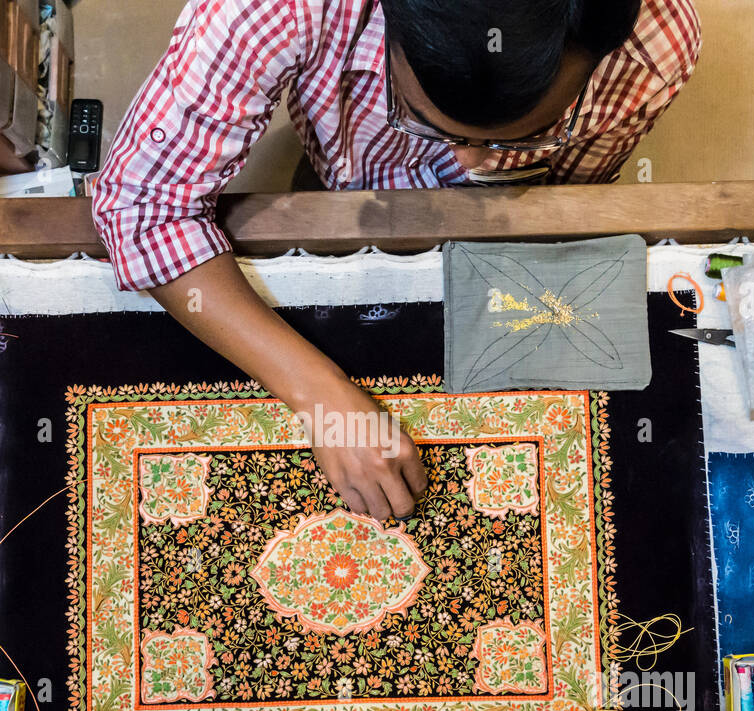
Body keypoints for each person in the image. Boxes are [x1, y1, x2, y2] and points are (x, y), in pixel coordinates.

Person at [92, 0, 702, 520]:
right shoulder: (276, 9)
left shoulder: (655, 48)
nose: (472, 166)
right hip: (349, 187)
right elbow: (142, 205)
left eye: (522, 138)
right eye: (427, 123)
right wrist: (321, 398)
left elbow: (569, 213)